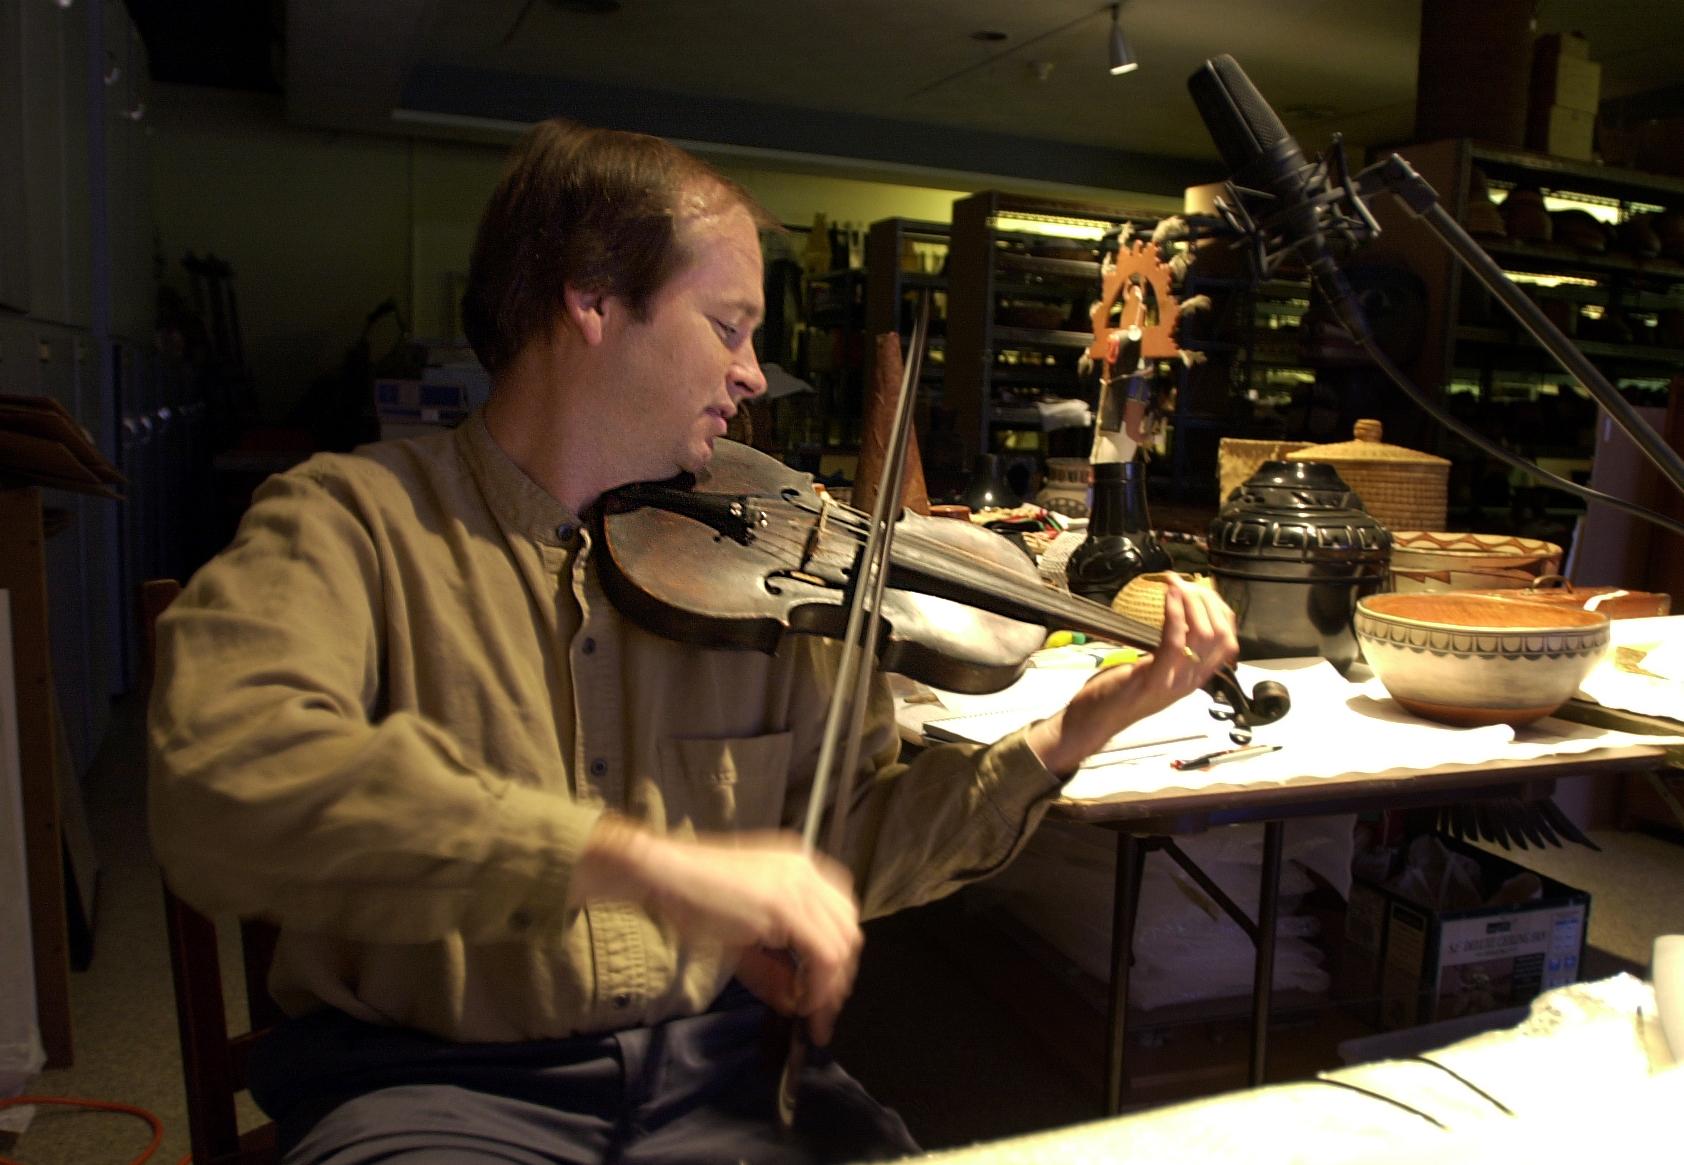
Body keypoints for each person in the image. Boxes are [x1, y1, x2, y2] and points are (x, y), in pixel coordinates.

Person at [148, 119, 1238, 1165]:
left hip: (715, 1073)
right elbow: (228, 778)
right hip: (435, 1091)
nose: (755, 373)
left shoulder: (771, 573)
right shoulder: (351, 521)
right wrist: (641, 864)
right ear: (590, 299)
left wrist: (1069, 732)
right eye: (727, 326)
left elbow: (839, 848)